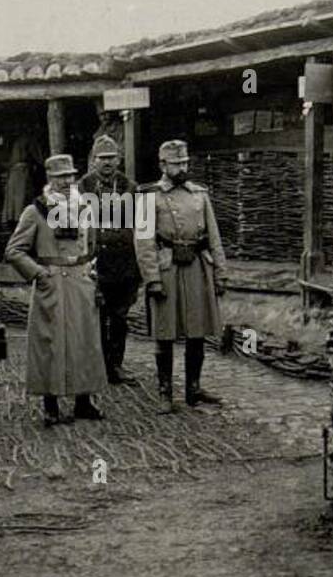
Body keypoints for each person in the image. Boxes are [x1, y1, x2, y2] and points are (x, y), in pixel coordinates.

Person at [5, 153, 107, 426]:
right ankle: (50, 405)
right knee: (51, 343)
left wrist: (92, 269)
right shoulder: (36, 211)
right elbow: (14, 251)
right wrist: (39, 273)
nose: (67, 181)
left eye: (71, 176)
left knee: (85, 342)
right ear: (49, 179)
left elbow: (93, 244)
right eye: (61, 176)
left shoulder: (84, 207)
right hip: (52, 284)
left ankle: (83, 402)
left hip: (81, 283)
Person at [135, 139, 228, 413]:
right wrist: (152, 278)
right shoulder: (148, 196)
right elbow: (143, 241)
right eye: (177, 163)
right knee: (165, 333)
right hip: (167, 268)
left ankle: (194, 388)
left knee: (197, 332)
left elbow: (214, 236)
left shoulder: (200, 194)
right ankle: (165, 392)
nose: (183, 167)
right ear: (163, 164)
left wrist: (220, 272)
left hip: (198, 267)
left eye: (185, 162)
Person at [78, 134, 142, 385]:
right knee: (95, 317)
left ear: (119, 159)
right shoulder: (82, 188)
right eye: (101, 158)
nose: (107, 163)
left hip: (124, 263)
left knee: (119, 317)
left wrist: (141, 267)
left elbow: (143, 227)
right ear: (93, 161)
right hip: (94, 263)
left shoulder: (131, 187)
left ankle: (115, 366)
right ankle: (96, 365)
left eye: (111, 158)